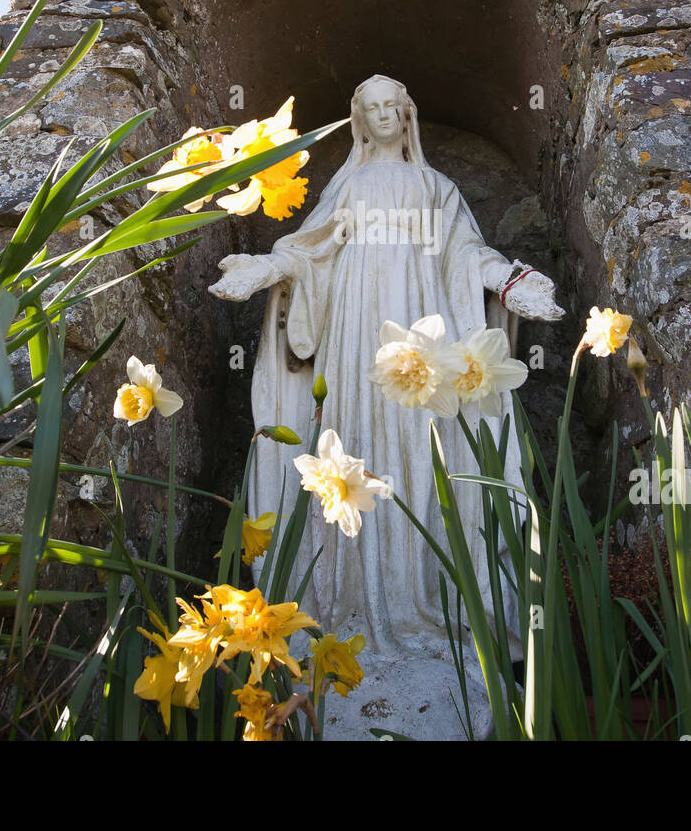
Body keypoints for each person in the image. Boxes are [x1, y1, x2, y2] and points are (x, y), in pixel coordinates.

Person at [209, 74, 562, 659]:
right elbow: (311, 246)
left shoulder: (435, 185)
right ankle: (348, 596)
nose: (382, 117)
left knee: (425, 443)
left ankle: (424, 593)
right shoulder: (346, 185)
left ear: (407, 114)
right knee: (355, 434)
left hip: (424, 310)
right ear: (359, 118)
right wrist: (267, 270)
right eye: (370, 109)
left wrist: (508, 280)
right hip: (353, 323)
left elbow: (464, 251)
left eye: (390, 107)